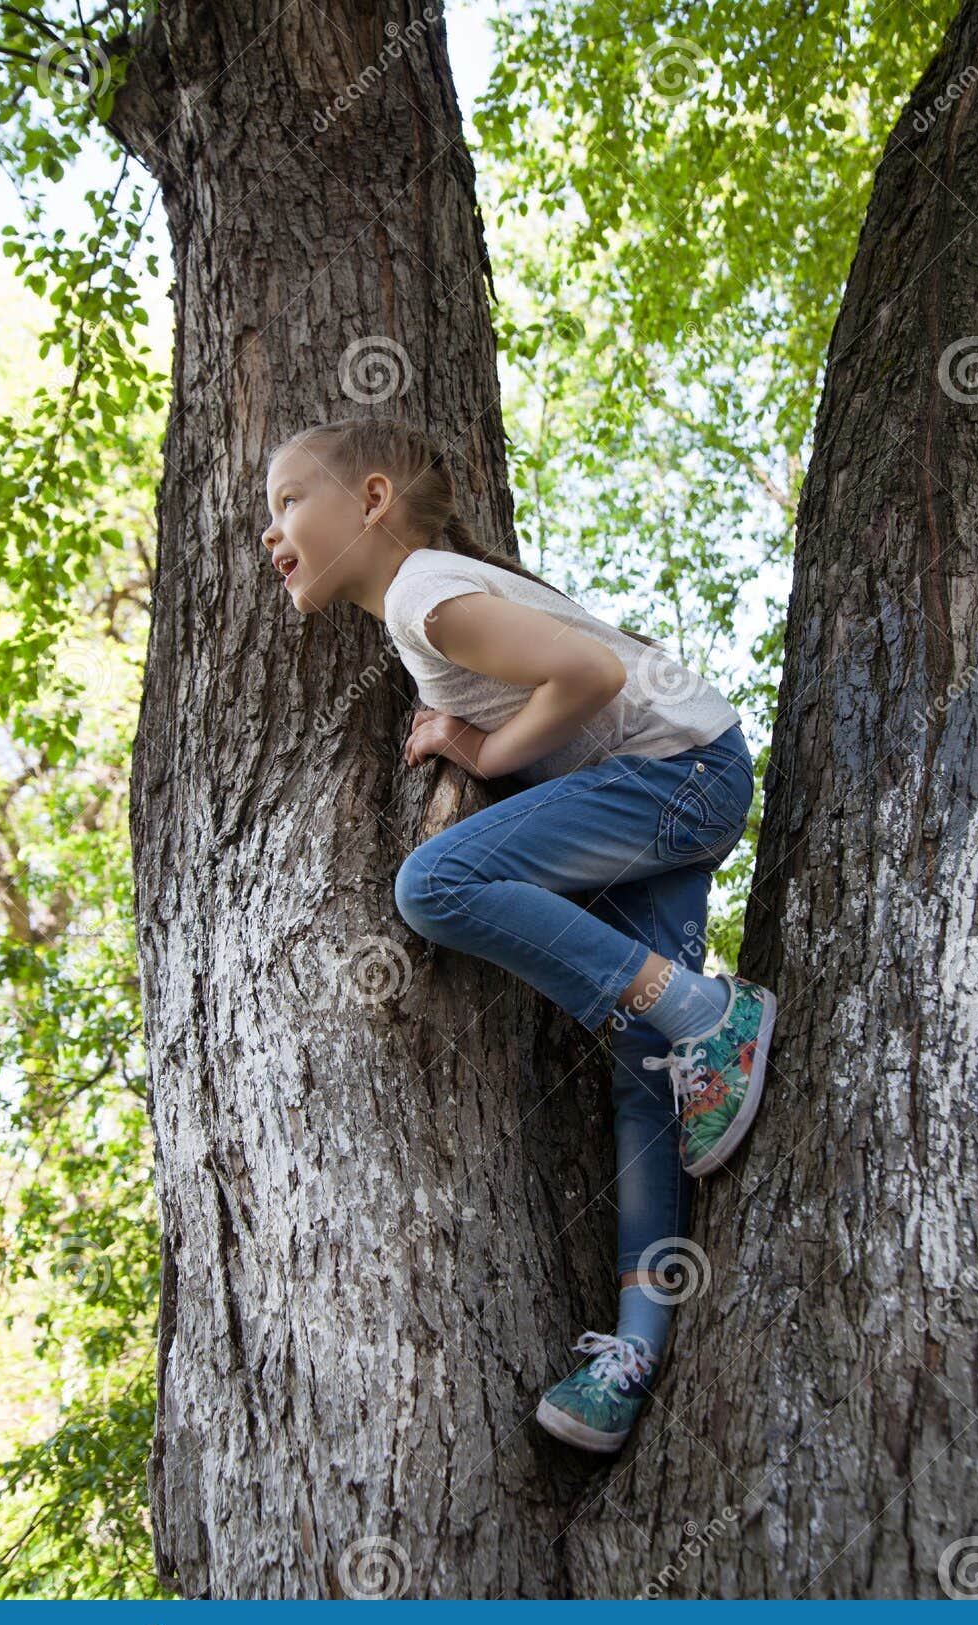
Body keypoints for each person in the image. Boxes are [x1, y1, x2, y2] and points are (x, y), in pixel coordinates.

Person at [261, 417, 778, 1455]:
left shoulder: (420, 594)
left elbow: (585, 674)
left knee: (436, 882)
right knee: (646, 1070)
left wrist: (484, 752)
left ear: (371, 500)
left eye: (287, 502)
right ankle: (631, 1351)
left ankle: (708, 1014)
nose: (271, 533)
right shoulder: (426, 602)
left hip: (676, 778)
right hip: (666, 790)